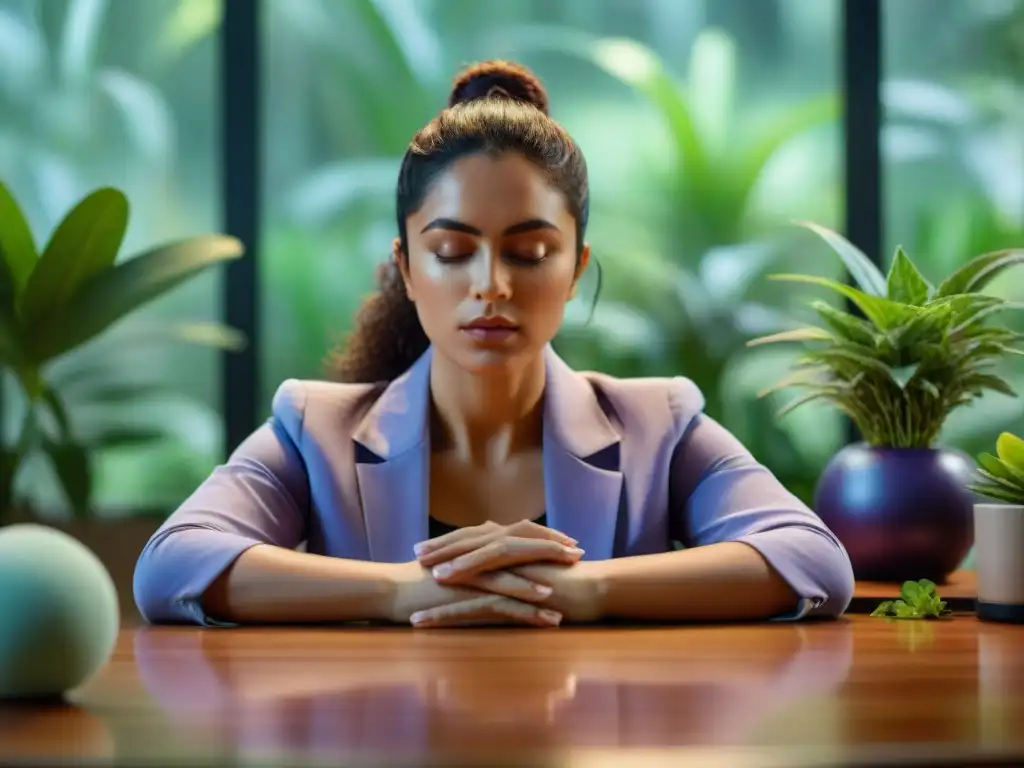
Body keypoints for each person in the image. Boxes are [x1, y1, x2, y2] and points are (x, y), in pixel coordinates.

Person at [133, 60, 855, 629]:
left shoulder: (656, 423)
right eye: (451, 252)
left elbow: (813, 558)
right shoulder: (314, 429)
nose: (491, 286)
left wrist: (590, 588)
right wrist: (401, 591)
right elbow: (172, 565)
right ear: (406, 268)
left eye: (529, 253)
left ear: (575, 268)